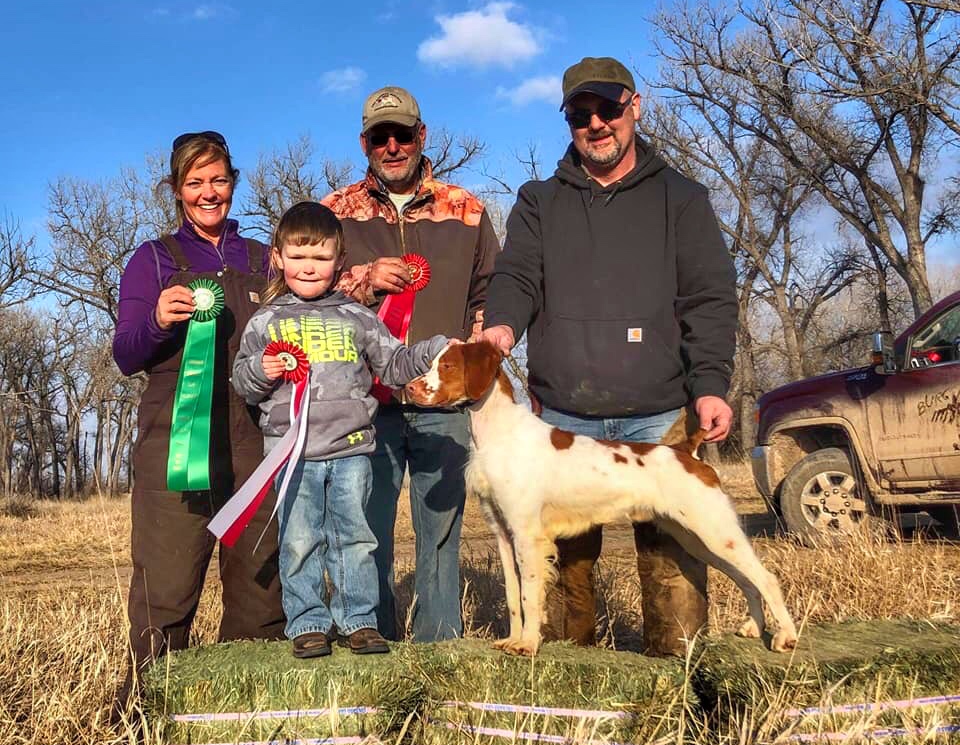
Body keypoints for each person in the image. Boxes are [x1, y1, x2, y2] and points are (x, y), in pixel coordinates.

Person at [481, 57, 738, 656]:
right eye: (579, 113)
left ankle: (677, 699)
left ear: (635, 107)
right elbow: (517, 276)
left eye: (607, 108)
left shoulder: (682, 198)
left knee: (672, 572)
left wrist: (710, 384)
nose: (595, 123)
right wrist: (498, 331)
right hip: (564, 419)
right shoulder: (539, 201)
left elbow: (709, 297)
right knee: (565, 579)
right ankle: (570, 702)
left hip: (659, 413)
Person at [112, 131, 285, 708]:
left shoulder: (266, 259)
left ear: (233, 182)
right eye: (195, 183)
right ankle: (149, 721)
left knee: (261, 589)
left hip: (254, 441)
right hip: (174, 441)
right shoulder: (152, 259)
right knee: (166, 587)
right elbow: (126, 353)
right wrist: (159, 319)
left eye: (218, 180)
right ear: (176, 191)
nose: (209, 193)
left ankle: (248, 720)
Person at [322, 86, 500, 642]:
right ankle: (369, 642)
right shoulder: (334, 212)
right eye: (381, 137)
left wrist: (469, 373)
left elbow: (489, 296)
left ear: (423, 136)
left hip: (441, 401)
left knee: (441, 532)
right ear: (365, 143)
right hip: (363, 403)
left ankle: (438, 648)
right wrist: (363, 280)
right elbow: (307, 291)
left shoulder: (467, 209)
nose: (393, 146)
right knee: (363, 530)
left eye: (403, 134)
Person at [232, 202, 448, 657]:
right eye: (298, 256)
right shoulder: (265, 322)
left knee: (355, 537)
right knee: (299, 538)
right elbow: (243, 385)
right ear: (278, 257)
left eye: (321, 257)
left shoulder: (358, 317)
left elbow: (393, 367)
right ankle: (308, 620)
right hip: (291, 457)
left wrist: (432, 351)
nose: (309, 267)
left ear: (340, 260)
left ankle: (358, 620)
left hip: (352, 450)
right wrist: (262, 368)